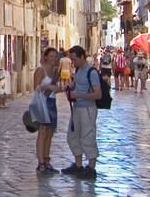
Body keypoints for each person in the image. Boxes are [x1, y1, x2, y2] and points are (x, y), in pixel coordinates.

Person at [62, 46, 102, 179]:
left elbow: (97, 94)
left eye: (74, 59)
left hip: (87, 109)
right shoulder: (78, 70)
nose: (73, 63)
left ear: (81, 57)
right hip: (77, 108)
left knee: (87, 137)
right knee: (72, 136)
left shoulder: (92, 72)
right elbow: (78, 86)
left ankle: (91, 168)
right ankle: (78, 165)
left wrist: (78, 95)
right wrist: (71, 88)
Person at [32, 47, 61, 175]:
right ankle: (41, 163)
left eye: (55, 56)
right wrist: (48, 86)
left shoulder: (55, 71)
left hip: (51, 102)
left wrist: (61, 88)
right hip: (42, 102)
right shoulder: (40, 70)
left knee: (50, 133)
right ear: (45, 57)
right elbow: (36, 88)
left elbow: (54, 88)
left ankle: (47, 159)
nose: (54, 58)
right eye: (51, 56)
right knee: (42, 132)